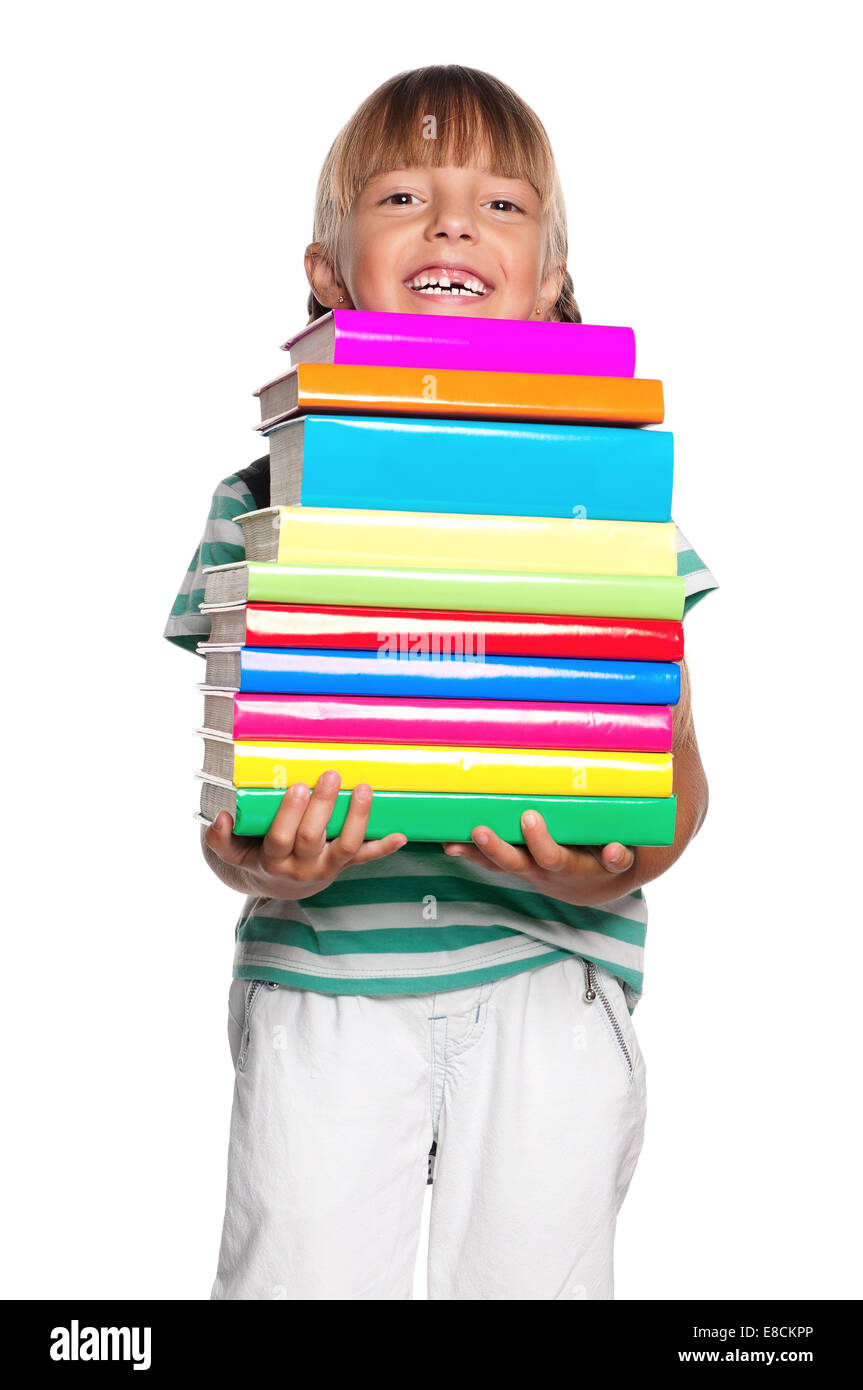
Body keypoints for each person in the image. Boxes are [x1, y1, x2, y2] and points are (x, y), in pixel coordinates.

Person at [164, 65, 719, 1301]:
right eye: (405, 193)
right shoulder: (261, 503)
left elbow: (674, 772)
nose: (453, 223)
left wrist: (624, 857)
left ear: (551, 285)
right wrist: (264, 863)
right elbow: (225, 807)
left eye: (500, 205)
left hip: (547, 981)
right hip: (326, 987)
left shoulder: (613, 505)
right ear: (328, 273)